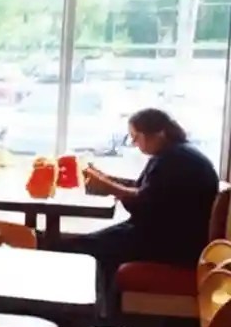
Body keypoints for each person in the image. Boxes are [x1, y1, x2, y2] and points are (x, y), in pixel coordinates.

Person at [77, 108, 219, 311]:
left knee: (84, 247)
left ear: (157, 134)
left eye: (136, 138)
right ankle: (100, 310)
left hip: (171, 245)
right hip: (168, 237)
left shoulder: (176, 160)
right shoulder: (176, 155)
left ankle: (89, 312)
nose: (135, 144)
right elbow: (145, 191)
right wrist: (107, 180)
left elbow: (143, 202)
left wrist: (108, 186)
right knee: (91, 242)